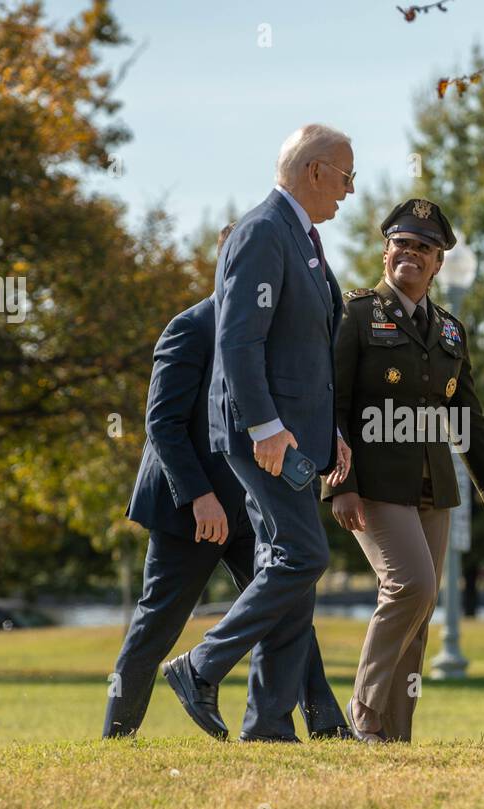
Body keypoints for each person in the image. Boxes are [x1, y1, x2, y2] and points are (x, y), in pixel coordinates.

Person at [103, 225, 351, 741]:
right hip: (188, 509)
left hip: (254, 501)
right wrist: (200, 498)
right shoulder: (190, 328)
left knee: (288, 607)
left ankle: (325, 725)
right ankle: (117, 736)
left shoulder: (271, 332)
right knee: (157, 624)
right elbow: (163, 426)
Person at [161, 124, 356, 742]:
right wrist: (266, 427)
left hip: (298, 436)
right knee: (305, 556)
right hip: (265, 436)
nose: (350, 192)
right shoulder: (262, 231)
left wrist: (333, 434)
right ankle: (200, 666)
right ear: (316, 170)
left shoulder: (302, 238)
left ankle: (268, 725)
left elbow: (308, 348)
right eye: (346, 177)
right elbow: (237, 339)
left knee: (286, 569)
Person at [323, 198, 484, 742]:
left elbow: (470, 422)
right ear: (386, 251)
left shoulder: (451, 332)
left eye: (424, 248)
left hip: (435, 487)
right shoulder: (356, 315)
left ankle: (394, 735)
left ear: (438, 264)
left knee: (421, 606)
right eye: (402, 244)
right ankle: (362, 714)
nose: (411, 253)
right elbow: (332, 405)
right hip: (375, 484)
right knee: (409, 586)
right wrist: (340, 484)